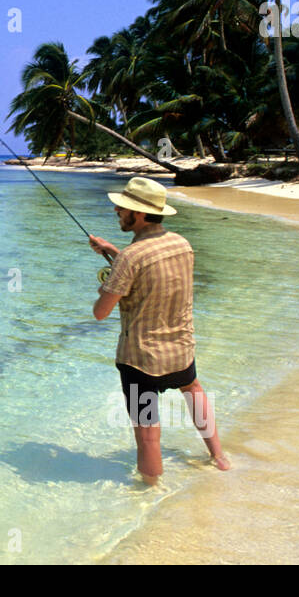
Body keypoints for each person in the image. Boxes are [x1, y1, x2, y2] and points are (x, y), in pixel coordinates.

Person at [88, 176, 230, 484]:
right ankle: (219, 457)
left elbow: (101, 313)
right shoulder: (182, 244)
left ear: (138, 214)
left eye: (122, 207)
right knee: (194, 392)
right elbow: (150, 272)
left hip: (141, 360)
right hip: (180, 350)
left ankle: (150, 491)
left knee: (148, 435)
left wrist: (105, 288)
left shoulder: (130, 258)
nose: (116, 210)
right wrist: (112, 250)